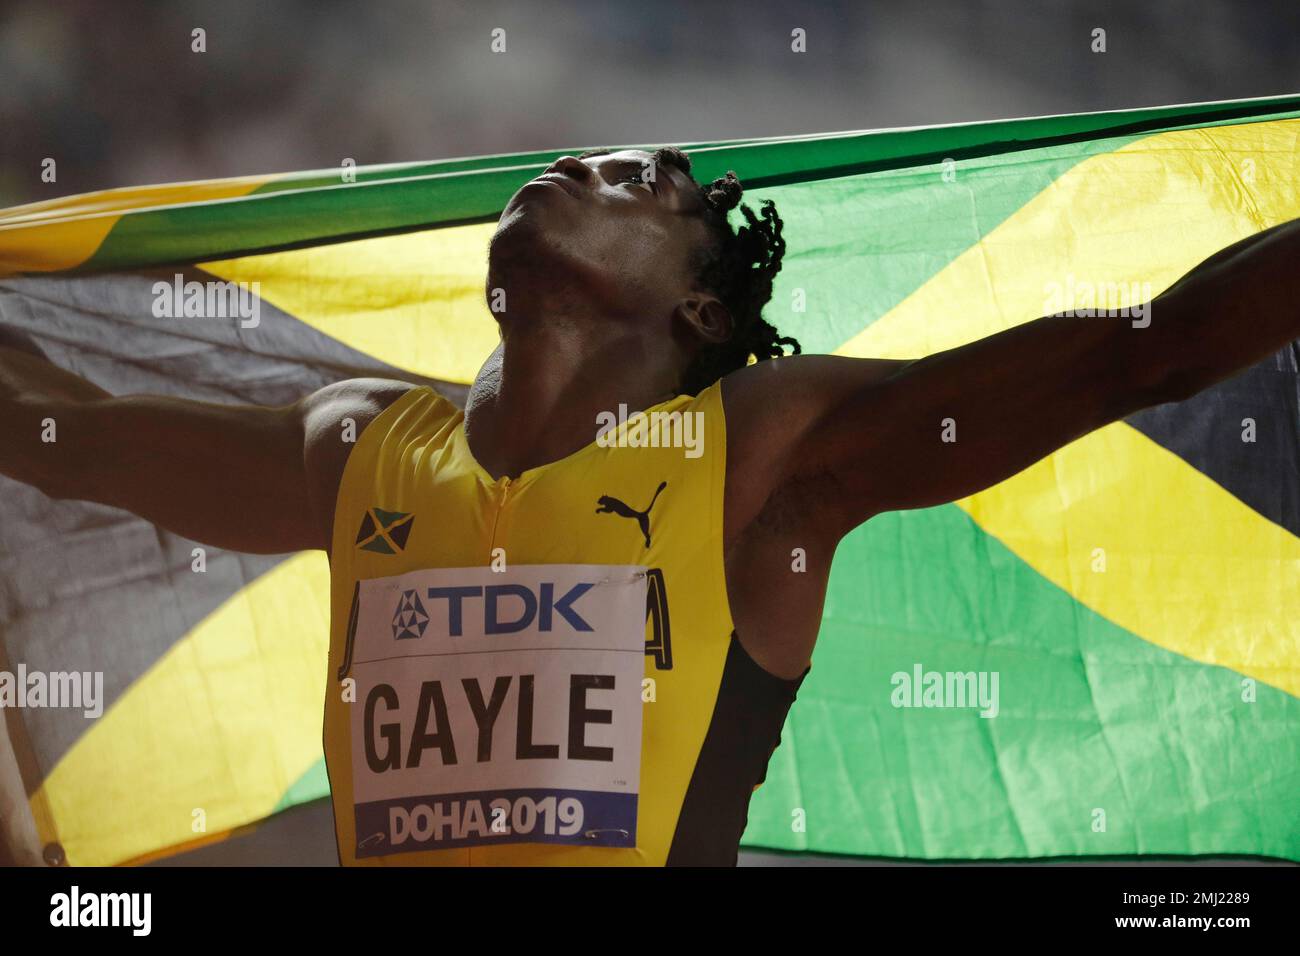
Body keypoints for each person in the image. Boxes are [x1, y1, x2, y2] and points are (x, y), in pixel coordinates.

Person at [2, 145, 1297, 866]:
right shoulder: (361, 452)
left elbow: (1153, 352)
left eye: (640, 186)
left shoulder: (764, 456)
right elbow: (59, 439)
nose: (583, 162)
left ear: (701, 312)